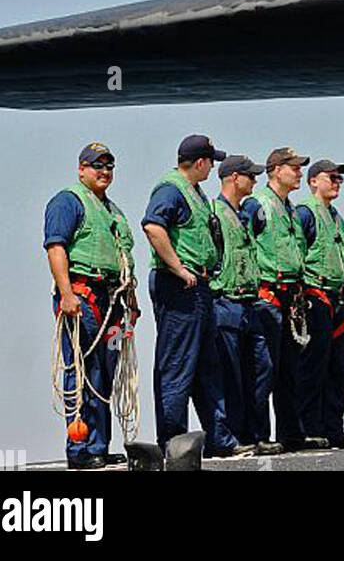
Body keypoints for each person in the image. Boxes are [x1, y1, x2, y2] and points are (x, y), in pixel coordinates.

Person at [142, 134, 247, 458]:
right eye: (210, 161)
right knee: (177, 366)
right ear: (200, 162)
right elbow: (153, 226)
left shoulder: (196, 193)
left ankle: (219, 440)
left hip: (199, 289)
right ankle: (174, 444)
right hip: (180, 289)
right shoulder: (171, 189)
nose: (212, 166)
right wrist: (179, 269)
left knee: (207, 367)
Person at [44, 142, 139, 470]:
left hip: (113, 301)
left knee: (106, 373)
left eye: (109, 167)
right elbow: (56, 247)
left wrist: (132, 303)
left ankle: (99, 444)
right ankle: (80, 449)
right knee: (81, 372)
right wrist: (67, 294)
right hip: (82, 300)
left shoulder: (113, 210)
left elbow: (125, 259)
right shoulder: (68, 201)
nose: (104, 172)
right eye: (97, 166)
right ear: (82, 169)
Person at [244, 146, 324, 450]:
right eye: (294, 167)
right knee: (264, 369)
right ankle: (259, 435)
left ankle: (292, 433)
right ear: (276, 170)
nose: (300, 173)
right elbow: (242, 242)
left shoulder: (290, 208)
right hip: (268, 297)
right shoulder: (257, 205)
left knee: (291, 371)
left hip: (291, 297)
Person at [210, 156, 283, 457]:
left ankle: (256, 433)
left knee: (261, 367)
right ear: (233, 178)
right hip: (225, 300)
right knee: (230, 374)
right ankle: (234, 435)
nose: (255, 181)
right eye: (250, 177)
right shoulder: (214, 213)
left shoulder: (243, 213)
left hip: (249, 302)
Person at [294, 159, 344, 449]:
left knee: (338, 369)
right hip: (316, 296)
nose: (337, 182)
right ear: (313, 181)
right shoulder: (305, 214)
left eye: (340, 178)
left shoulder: (337, 218)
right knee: (313, 367)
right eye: (331, 177)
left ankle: (333, 427)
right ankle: (309, 428)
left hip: (338, 299)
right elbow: (298, 252)